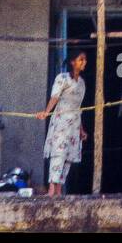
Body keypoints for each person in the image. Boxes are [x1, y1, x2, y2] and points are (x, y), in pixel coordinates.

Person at [36, 50, 88, 196]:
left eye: (84, 60)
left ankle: (59, 189)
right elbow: (55, 97)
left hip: (74, 124)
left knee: (68, 156)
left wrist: (81, 130)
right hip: (61, 122)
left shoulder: (82, 83)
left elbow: (78, 108)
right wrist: (46, 112)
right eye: (81, 59)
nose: (84, 62)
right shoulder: (62, 78)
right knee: (58, 153)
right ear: (73, 62)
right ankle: (52, 187)